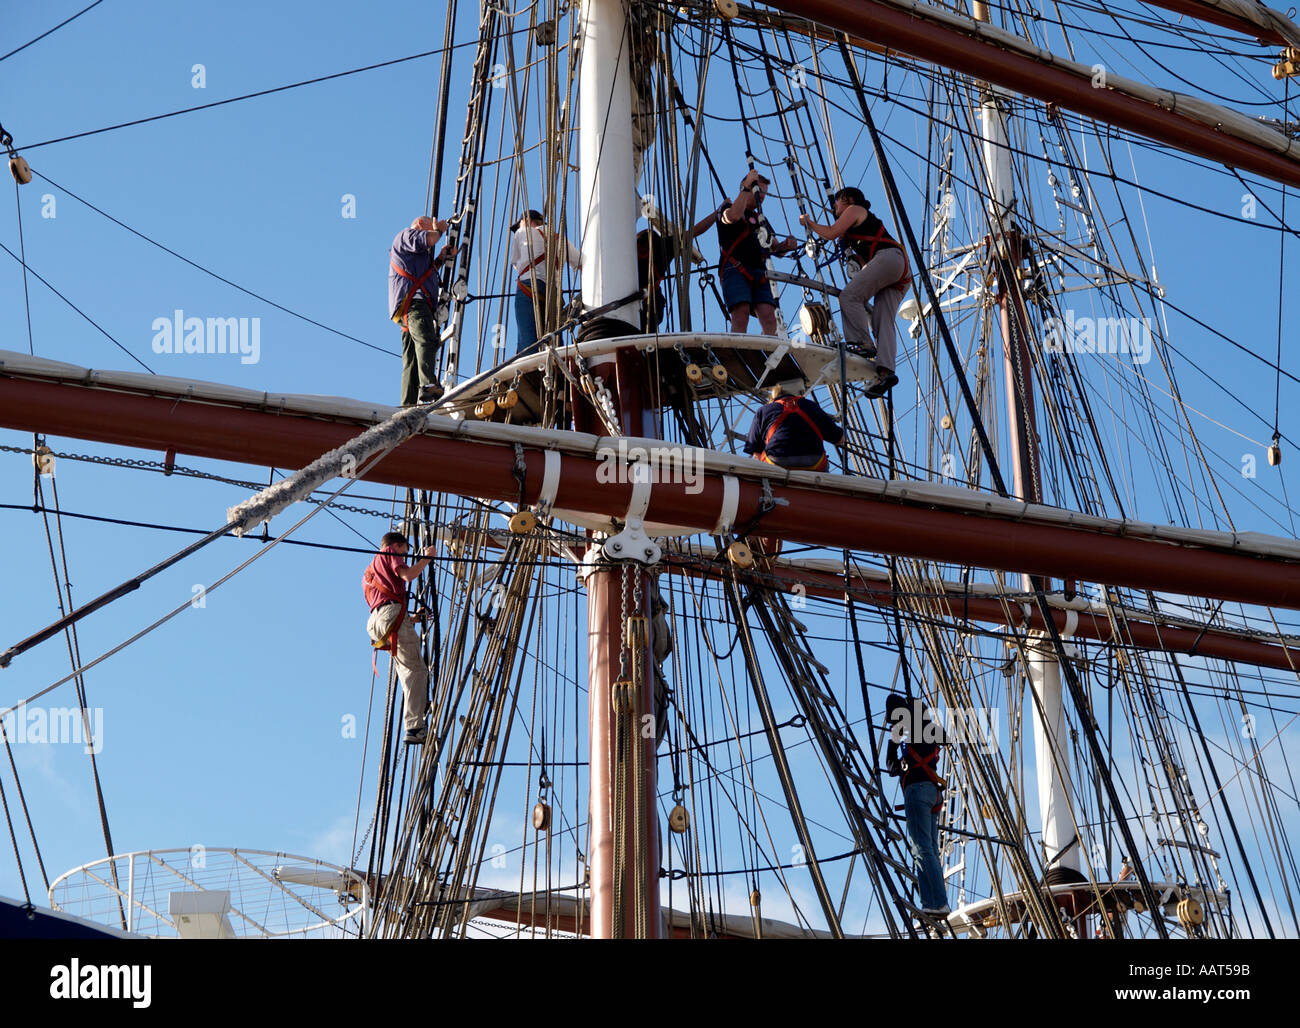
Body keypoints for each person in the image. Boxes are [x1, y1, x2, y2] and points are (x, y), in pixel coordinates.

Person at [800, 187, 911, 398]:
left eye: (837, 202)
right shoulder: (854, 231)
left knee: (849, 297)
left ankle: (863, 343)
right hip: (899, 270)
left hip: (889, 258)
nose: (835, 206)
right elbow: (863, 267)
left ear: (848, 199)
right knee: (882, 319)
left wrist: (809, 223)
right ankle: (885, 371)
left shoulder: (854, 209)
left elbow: (831, 232)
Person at [363, 531, 437, 745]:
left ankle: (417, 703)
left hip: (376, 624)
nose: (406, 556)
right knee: (416, 671)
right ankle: (414, 727)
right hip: (391, 617)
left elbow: (382, 603)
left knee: (407, 672)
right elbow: (407, 575)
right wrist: (428, 557)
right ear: (397, 545)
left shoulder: (369, 572)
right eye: (406, 550)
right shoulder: (389, 553)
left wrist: (411, 619)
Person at [884, 693, 949, 917]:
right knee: (929, 849)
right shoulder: (925, 726)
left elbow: (890, 767)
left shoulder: (900, 730)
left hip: (917, 792)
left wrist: (897, 743)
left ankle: (936, 903)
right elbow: (944, 736)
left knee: (921, 850)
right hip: (933, 793)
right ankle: (937, 902)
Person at [716, 170, 798, 335]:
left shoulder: (761, 219)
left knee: (770, 318)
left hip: (760, 273)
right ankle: (737, 351)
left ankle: (775, 354)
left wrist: (786, 245)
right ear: (745, 188)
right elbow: (732, 216)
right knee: (741, 314)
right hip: (736, 269)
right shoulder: (727, 207)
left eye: (765, 194)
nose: (762, 197)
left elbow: (775, 249)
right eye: (759, 191)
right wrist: (746, 188)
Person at [390, 216, 451, 406]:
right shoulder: (407, 235)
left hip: (407, 309)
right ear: (420, 225)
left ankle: (406, 405)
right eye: (428, 224)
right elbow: (429, 238)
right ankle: (428, 384)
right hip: (415, 304)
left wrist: (441, 257)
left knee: (411, 361)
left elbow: (426, 272)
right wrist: (439, 230)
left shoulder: (416, 254)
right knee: (427, 340)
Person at [510, 209, 583, 353]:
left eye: (519, 224)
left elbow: (515, 264)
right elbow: (581, 264)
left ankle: (529, 371)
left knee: (528, 344)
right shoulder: (559, 238)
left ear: (526, 221)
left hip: (528, 288)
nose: (518, 228)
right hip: (553, 294)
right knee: (554, 340)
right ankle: (558, 368)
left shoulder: (521, 233)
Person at [636, 210, 718, 332]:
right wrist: (717, 212)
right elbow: (694, 231)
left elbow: (694, 231)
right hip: (649, 304)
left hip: (647, 303)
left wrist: (717, 212)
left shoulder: (655, 249)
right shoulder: (661, 247)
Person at [743, 383, 844, 472]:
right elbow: (839, 439)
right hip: (813, 462)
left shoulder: (763, 410)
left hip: (776, 461)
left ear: (773, 398)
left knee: (763, 461)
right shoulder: (811, 405)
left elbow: (756, 453)